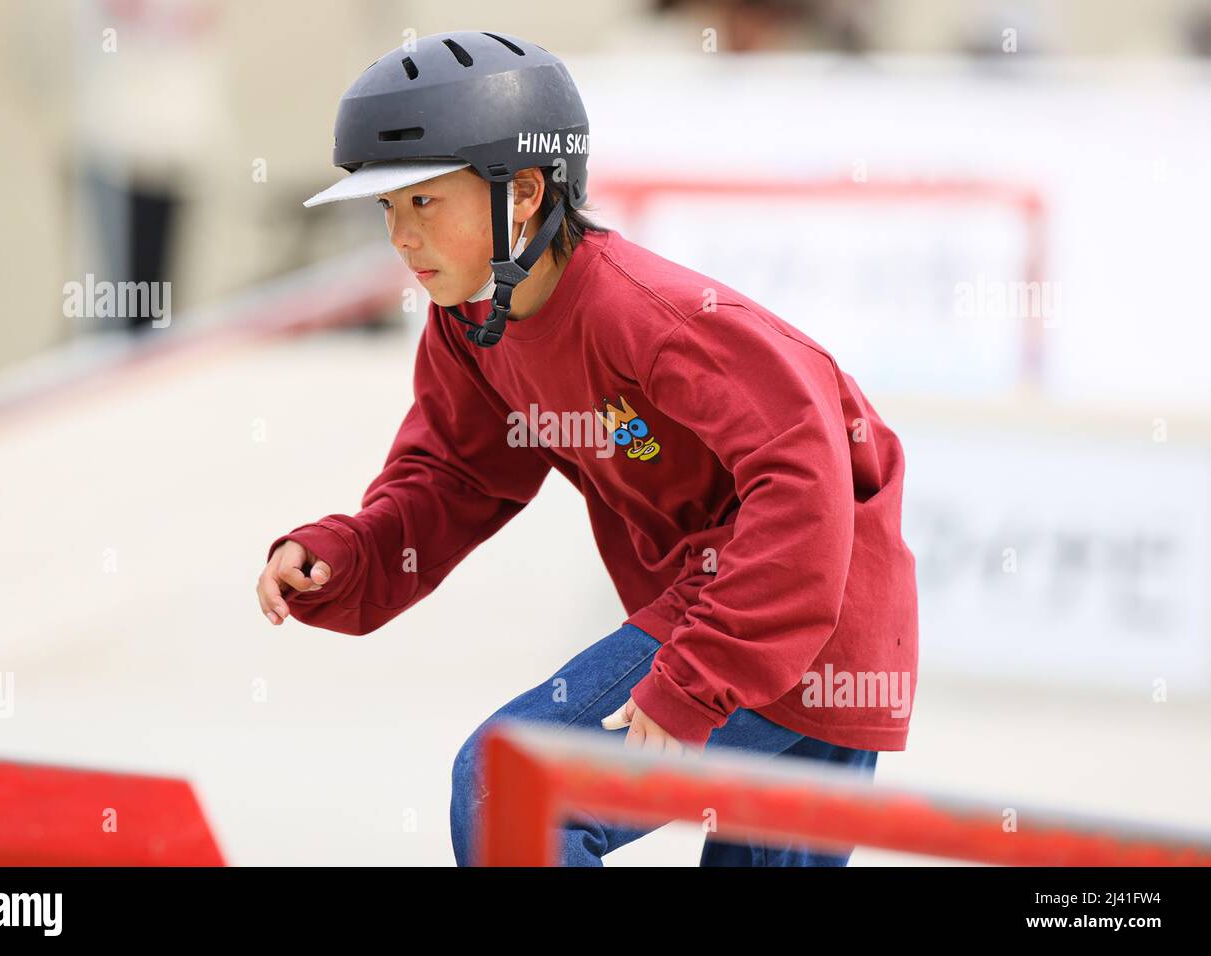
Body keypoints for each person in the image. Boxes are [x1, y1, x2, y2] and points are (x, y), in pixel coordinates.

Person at [255, 30, 918, 866]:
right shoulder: (474, 323)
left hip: (790, 614)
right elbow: (455, 476)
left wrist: (694, 676)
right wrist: (349, 554)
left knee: (517, 784)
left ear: (523, 192)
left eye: (424, 202)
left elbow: (804, 481)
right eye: (386, 208)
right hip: (770, 625)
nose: (400, 236)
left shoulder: (652, 317)